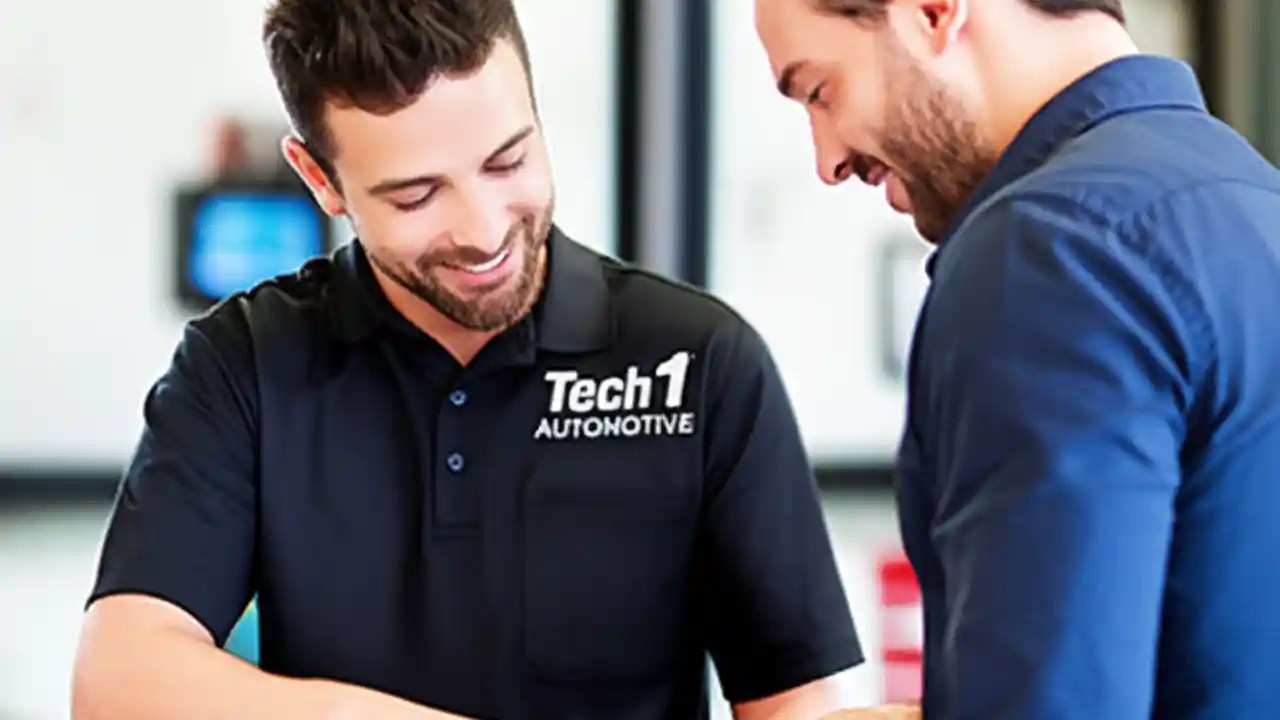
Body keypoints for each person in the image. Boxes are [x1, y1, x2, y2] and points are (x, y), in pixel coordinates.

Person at [70, 2, 870, 718]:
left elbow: (800, 704)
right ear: (322, 180)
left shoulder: (699, 363)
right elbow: (118, 682)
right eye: (416, 196)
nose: (484, 229)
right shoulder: (244, 366)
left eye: (508, 160)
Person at [756, 0, 1280, 718]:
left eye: (820, 91)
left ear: (935, 13)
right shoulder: (1252, 204)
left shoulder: (1049, 253)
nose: (828, 160)